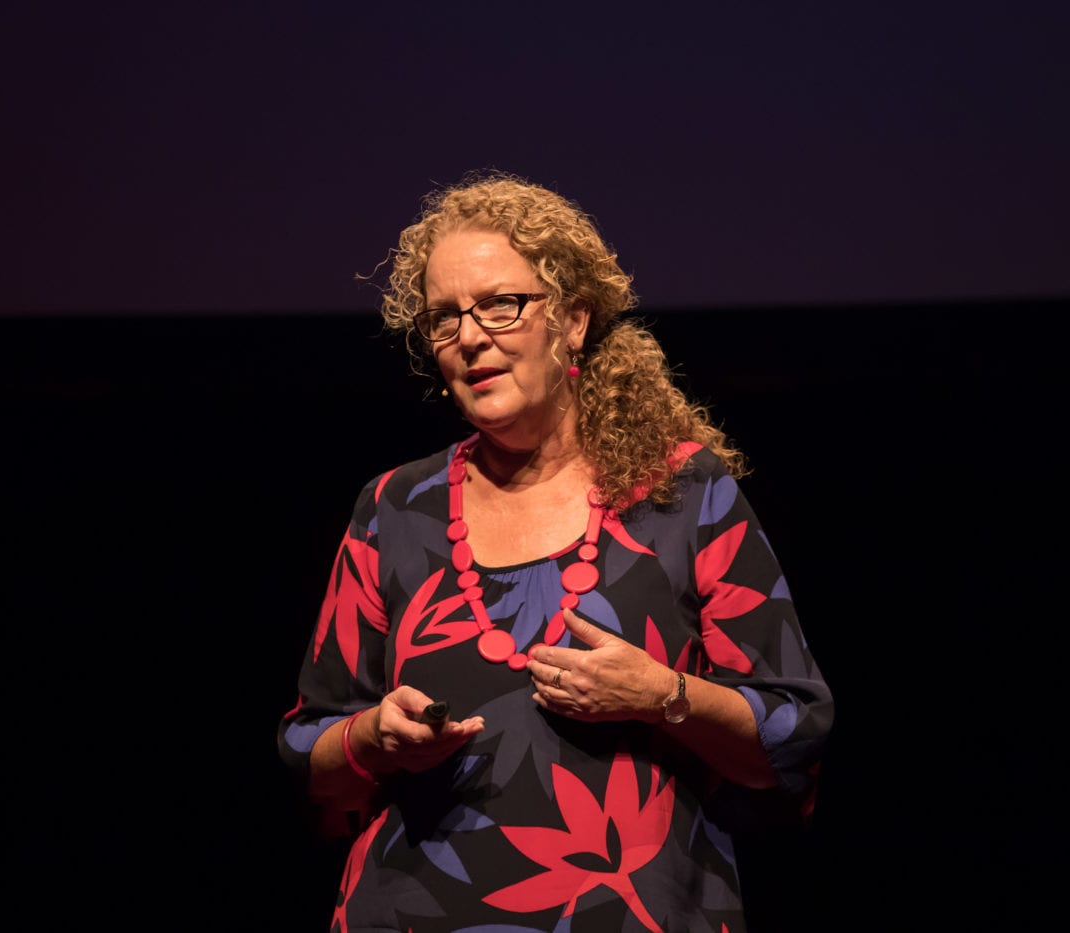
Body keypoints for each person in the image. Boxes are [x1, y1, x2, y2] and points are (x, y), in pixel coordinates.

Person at [277, 172, 833, 932]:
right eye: (445, 318)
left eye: (501, 304)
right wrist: (376, 737)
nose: (471, 336)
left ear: (573, 319)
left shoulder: (679, 492)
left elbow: (792, 733)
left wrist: (663, 694)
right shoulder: (391, 510)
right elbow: (309, 750)